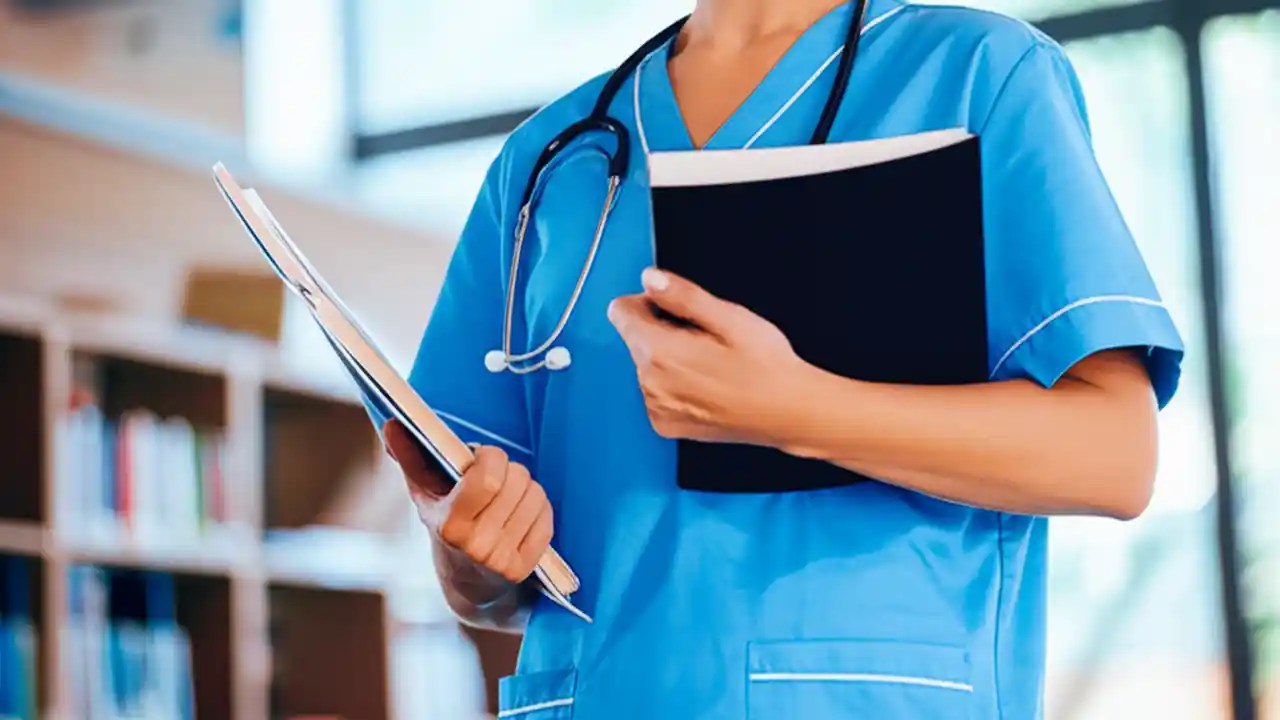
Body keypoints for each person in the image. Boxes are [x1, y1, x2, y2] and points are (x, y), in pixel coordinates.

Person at [380, 0, 1185, 717]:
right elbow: (486, 590)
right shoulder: (548, 161)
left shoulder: (980, 75)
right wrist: (471, 551)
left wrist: (795, 410)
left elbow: (1115, 457)